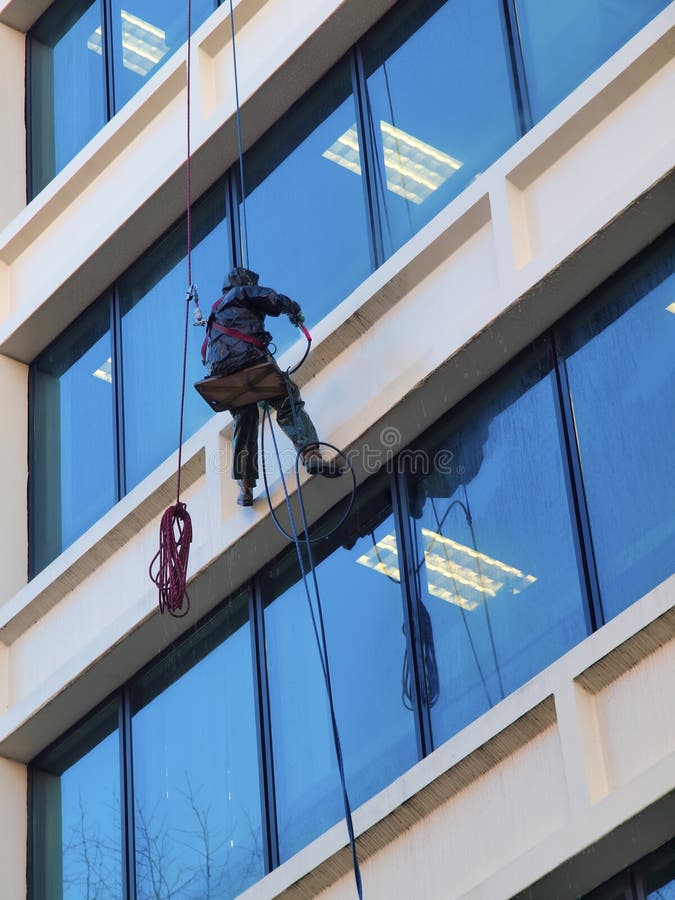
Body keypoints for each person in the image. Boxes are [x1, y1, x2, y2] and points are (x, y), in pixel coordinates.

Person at [199, 266, 330, 506]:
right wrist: (294, 309)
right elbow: (271, 299)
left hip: (223, 375)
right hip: (249, 361)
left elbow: (205, 352)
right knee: (287, 398)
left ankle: (245, 485)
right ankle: (310, 453)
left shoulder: (214, 313)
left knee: (245, 417)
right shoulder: (241, 292)